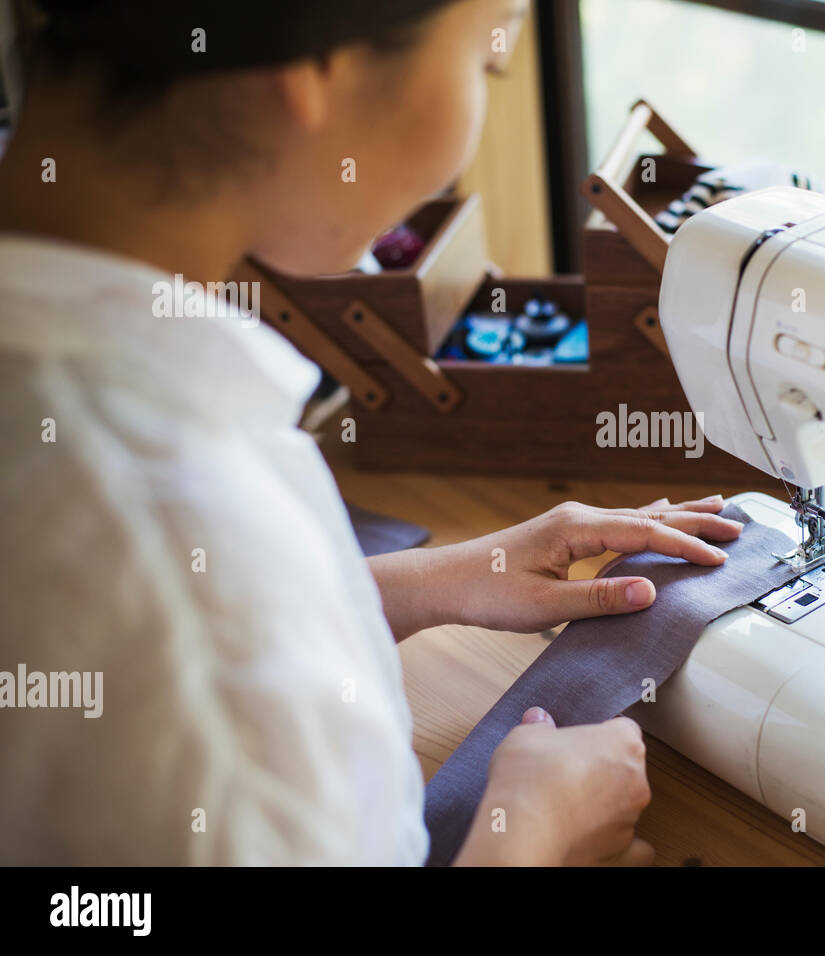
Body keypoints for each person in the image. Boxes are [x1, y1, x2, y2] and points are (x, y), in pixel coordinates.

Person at [0, 0, 742, 865]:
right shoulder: (175, 558)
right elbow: (185, 630)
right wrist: (533, 834)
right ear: (314, 65)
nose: (476, 116)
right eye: (485, 63)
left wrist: (429, 581)